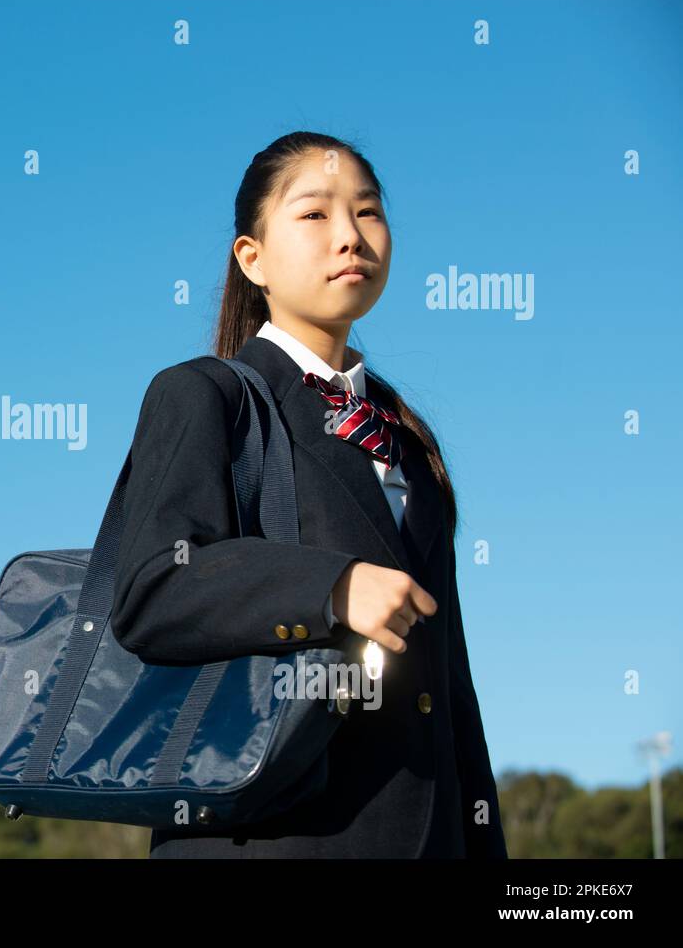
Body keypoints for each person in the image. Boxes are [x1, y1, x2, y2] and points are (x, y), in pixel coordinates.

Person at [110, 131, 508, 858]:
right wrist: (331, 586)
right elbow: (152, 587)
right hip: (268, 837)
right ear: (251, 257)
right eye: (315, 215)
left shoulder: (410, 444)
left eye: (368, 211)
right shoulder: (203, 395)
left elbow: (452, 692)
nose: (350, 235)